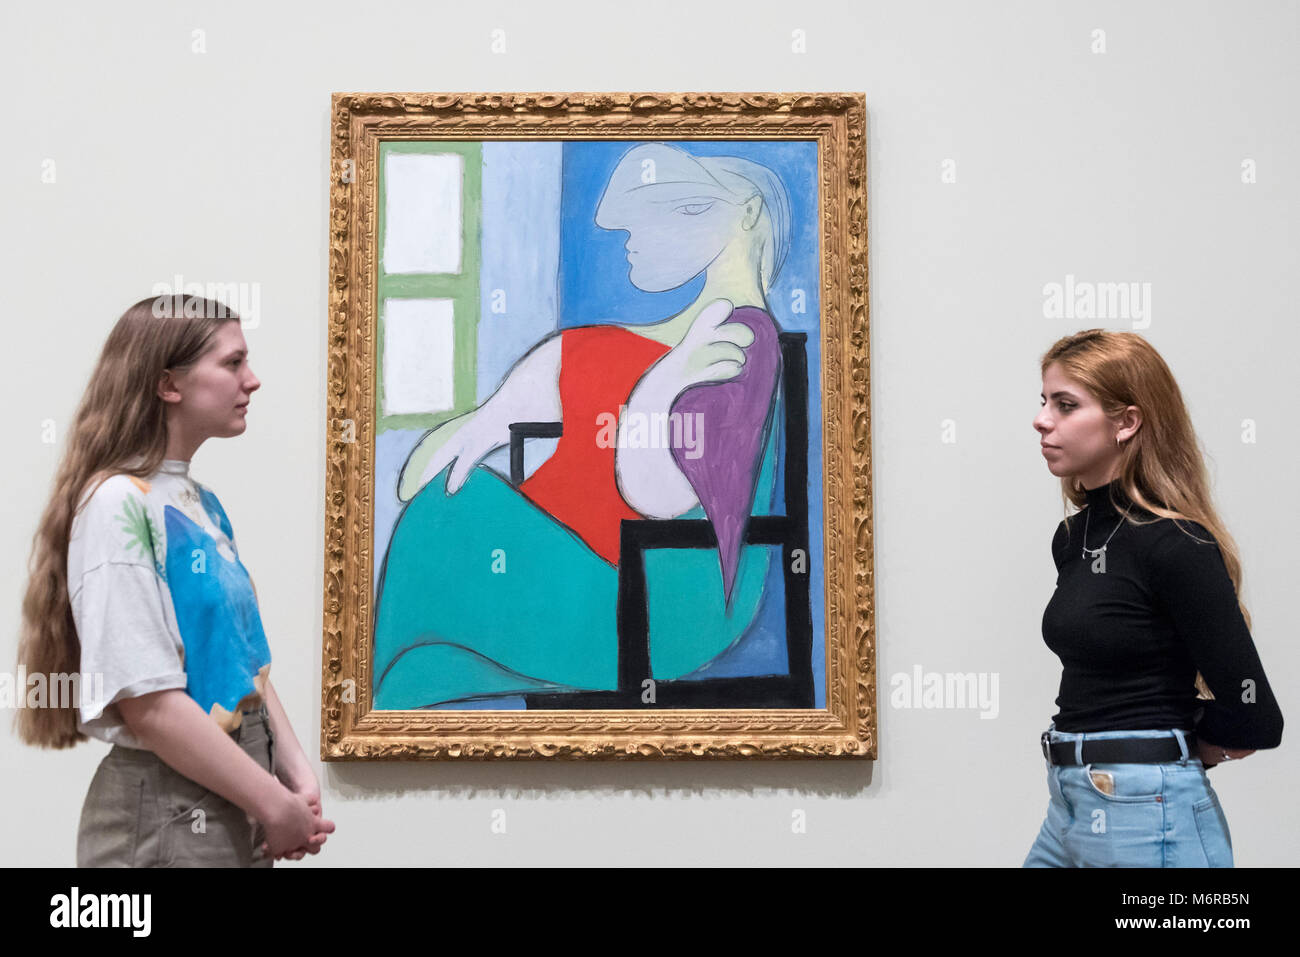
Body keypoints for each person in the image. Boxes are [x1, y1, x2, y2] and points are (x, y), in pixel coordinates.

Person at [374, 144, 793, 708]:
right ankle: (393, 725)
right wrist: (478, 431)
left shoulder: (740, 341)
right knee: (445, 521)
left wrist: (663, 383)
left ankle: (392, 720)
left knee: (449, 524)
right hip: (558, 566)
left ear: (746, 216)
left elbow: (655, 496)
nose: (636, 238)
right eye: (629, 226)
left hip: (646, 592)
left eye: (683, 209)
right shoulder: (587, 347)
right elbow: (419, 478)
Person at [14, 295, 335, 866]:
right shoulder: (118, 505)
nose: (253, 380)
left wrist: (293, 774)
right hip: (168, 813)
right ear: (169, 384)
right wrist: (272, 803)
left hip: (230, 794)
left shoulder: (200, 503)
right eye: (233, 363)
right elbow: (150, 705)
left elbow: (243, 661)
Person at [1025, 329, 1283, 867]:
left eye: (1066, 405)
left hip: (1149, 811)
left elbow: (1256, 717)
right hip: (1068, 802)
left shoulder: (1175, 544)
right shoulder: (1073, 539)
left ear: (1127, 422)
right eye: (1044, 401)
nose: (1042, 419)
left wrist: (1162, 750)